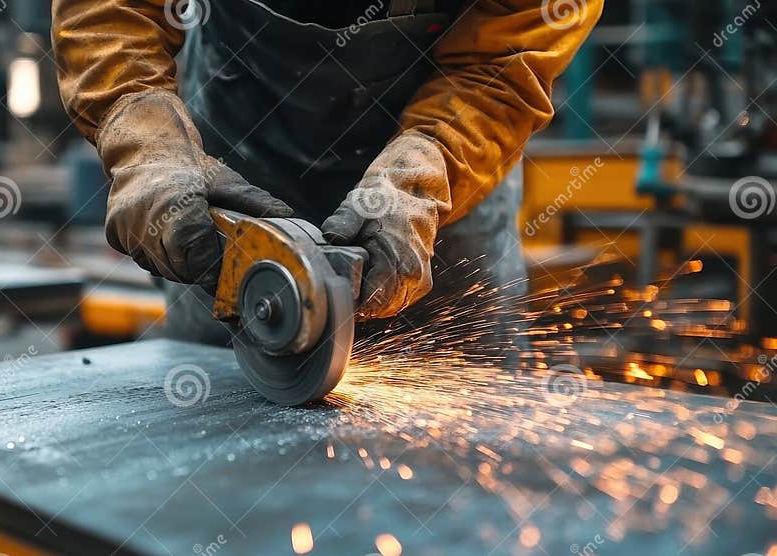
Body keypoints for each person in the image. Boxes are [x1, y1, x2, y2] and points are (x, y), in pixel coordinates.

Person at [53, 0, 603, 345]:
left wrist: (425, 172)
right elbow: (110, 11)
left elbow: (504, 65)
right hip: (227, 174)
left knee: (469, 447)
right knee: (210, 434)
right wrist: (144, 138)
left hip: (438, 197)